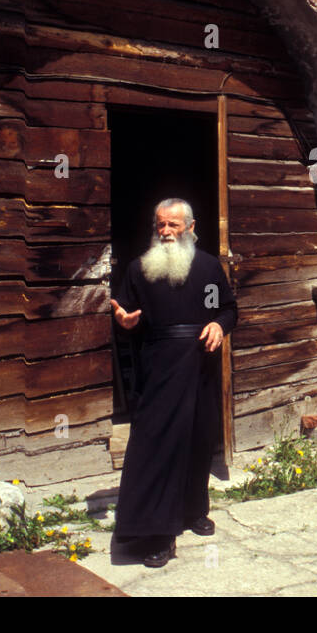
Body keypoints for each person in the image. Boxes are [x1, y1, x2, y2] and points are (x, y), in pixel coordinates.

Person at [108, 198, 237, 568]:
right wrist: (126, 322)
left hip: (199, 363)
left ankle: (193, 510)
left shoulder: (210, 268)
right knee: (157, 445)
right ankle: (157, 534)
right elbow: (126, 312)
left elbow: (228, 309)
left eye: (173, 226)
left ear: (190, 229)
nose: (165, 232)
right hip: (159, 364)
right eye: (160, 225)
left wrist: (218, 325)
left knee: (199, 438)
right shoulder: (139, 269)